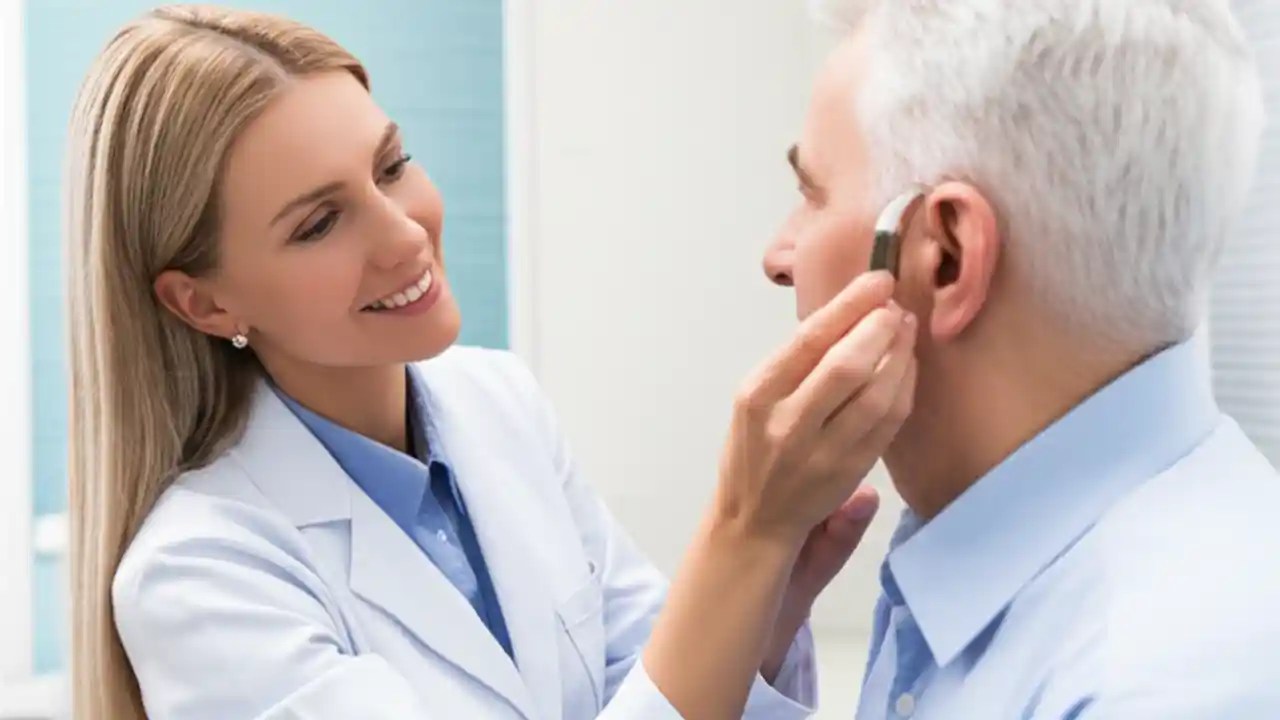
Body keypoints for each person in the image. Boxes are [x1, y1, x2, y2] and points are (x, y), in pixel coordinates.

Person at [65, 6, 918, 720]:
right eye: (319, 224)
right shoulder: (199, 577)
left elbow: (646, 677)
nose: (405, 234)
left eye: (391, 167)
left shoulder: (499, 404)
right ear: (204, 304)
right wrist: (743, 534)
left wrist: (762, 610)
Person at [765, 0, 1280, 717]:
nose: (778, 256)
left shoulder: (1152, 686)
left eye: (812, 197)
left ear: (945, 257)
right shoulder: (996, 555)